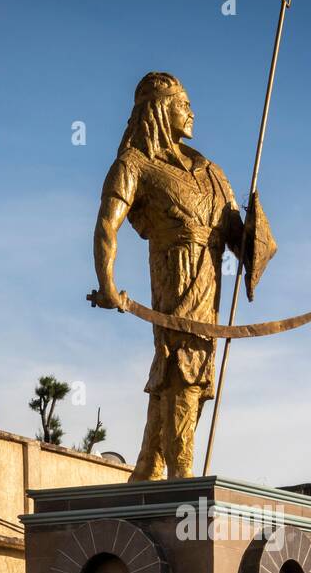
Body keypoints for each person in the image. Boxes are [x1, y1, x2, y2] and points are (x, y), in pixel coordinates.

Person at [93, 73, 272, 480]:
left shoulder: (210, 171)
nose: (191, 111)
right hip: (173, 271)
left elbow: (240, 244)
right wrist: (107, 286)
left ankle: (148, 469)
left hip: (209, 278)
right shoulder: (134, 165)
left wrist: (254, 225)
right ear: (158, 110)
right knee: (182, 366)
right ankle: (181, 475)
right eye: (182, 104)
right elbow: (107, 226)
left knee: (188, 368)